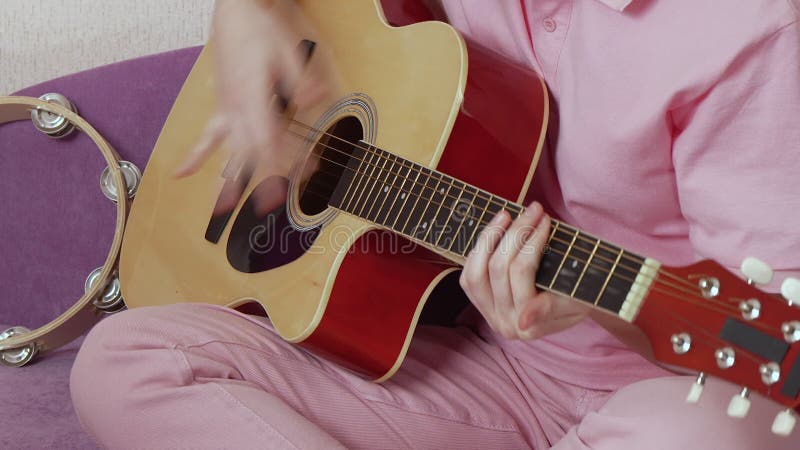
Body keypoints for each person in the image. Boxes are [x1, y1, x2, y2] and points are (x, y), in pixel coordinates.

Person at [70, 0, 800, 448]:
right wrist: (244, 12)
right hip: (486, 371)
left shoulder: (747, 30)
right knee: (126, 361)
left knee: (709, 437)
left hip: (665, 388)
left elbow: (774, 333)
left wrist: (594, 308)